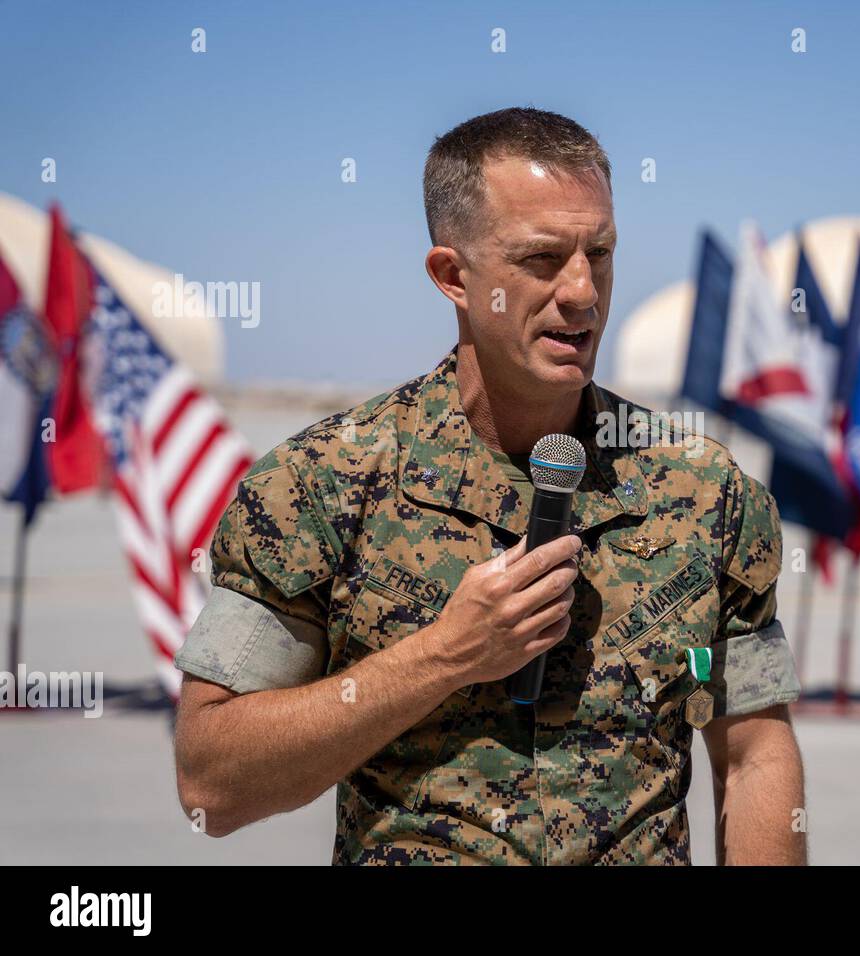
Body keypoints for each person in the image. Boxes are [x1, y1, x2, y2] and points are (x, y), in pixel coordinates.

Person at [173, 107, 806, 865]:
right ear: (453, 277)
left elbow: (754, 753)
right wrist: (448, 654)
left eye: (598, 254)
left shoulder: (707, 493)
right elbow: (213, 785)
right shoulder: (320, 488)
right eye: (541, 259)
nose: (582, 292)